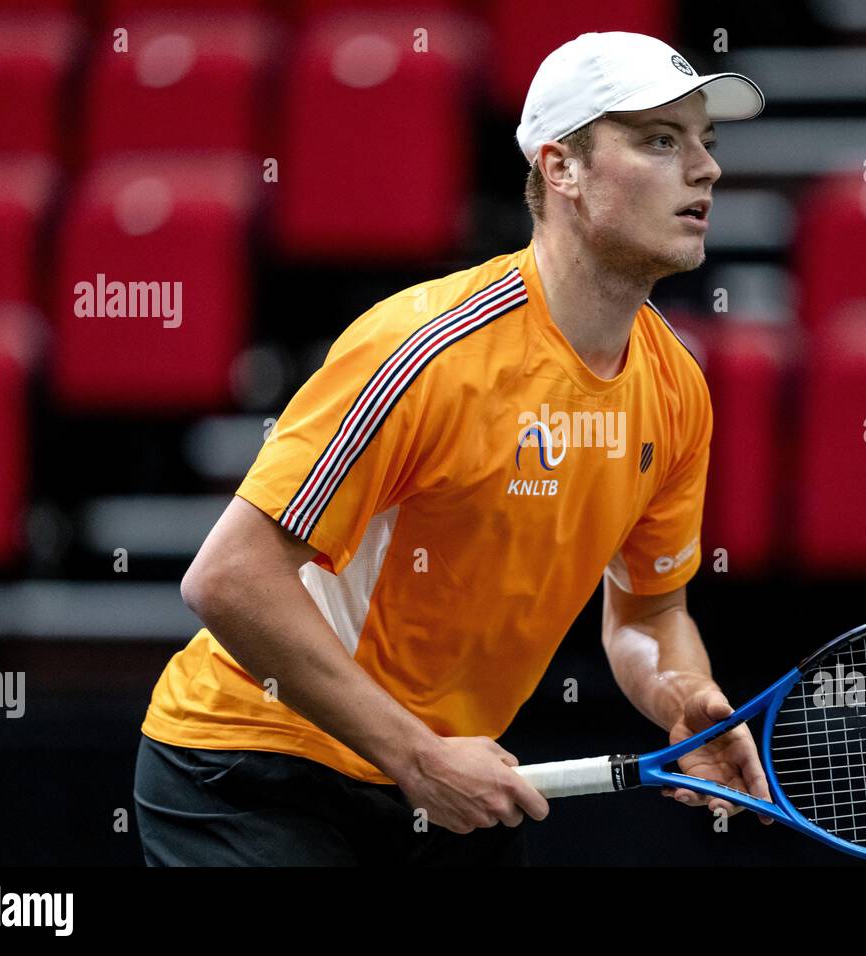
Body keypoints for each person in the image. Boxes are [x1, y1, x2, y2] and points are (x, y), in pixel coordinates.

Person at [133, 31, 768, 866]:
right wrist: (416, 753)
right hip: (255, 765)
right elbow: (227, 579)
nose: (706, 169)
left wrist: (680, 692)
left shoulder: (676, 385)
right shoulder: (428, 351)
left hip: (440, 786)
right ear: (561, 167)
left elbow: (648, 613)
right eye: (659, 139)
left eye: (706, 143)